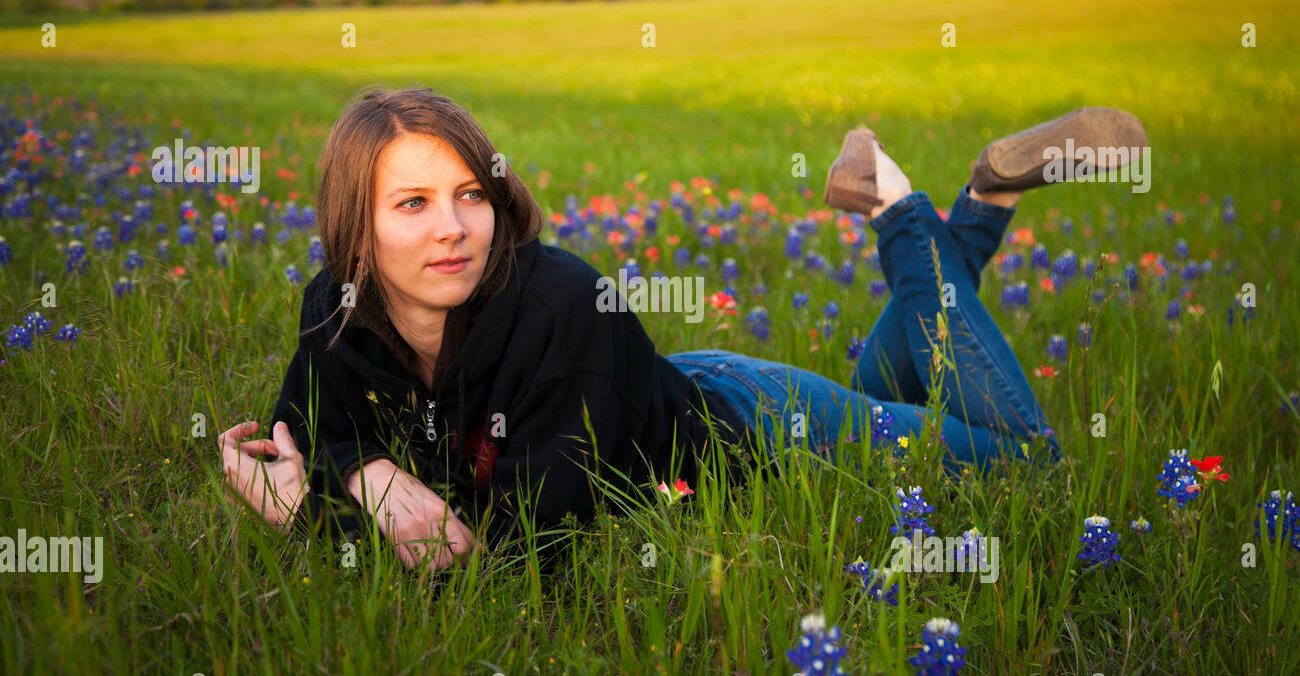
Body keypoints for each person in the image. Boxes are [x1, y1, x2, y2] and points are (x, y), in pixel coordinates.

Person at [218, 87, 1145, 572]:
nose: (452, 228)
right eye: (411, 203)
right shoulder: (332, 309)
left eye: (469, 195)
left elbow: (525, 551)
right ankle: (977, 208)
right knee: (894, 401)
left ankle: (905, 210)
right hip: (641, 396)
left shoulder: (561, 306)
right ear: (355, 228)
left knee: (1030, 469)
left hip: (760, 434)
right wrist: (361, 475)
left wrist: (318, 522)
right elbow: (309, 424)